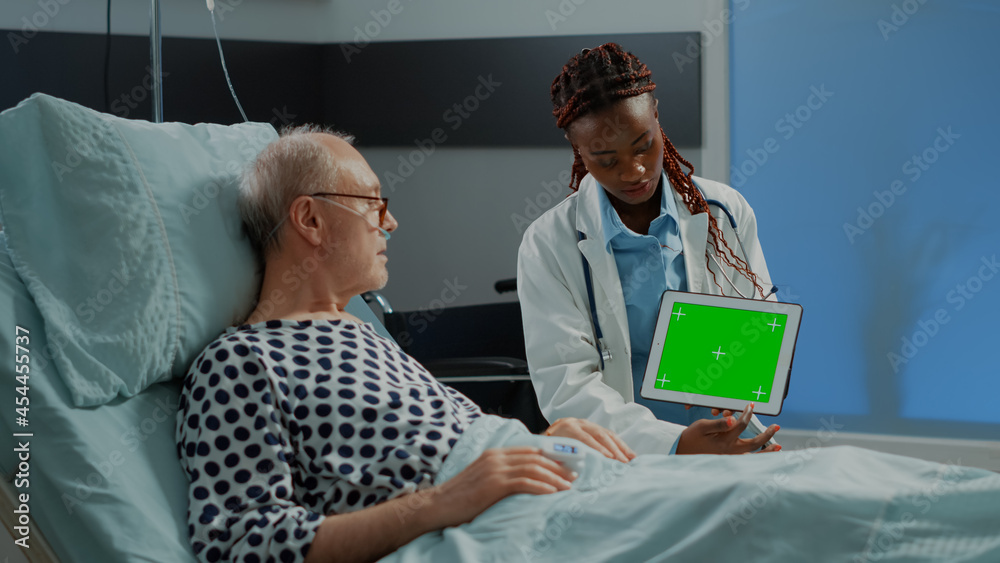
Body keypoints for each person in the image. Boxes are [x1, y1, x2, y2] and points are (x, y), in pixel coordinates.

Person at [175, 125, 652, 563]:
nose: (391, 223)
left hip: (527, 478)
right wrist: (441, 503)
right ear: (311, 220)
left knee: (716, 484)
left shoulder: (362, 334)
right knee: (718, 506)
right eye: (373, 203)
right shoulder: (241, 362)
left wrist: (538, 445)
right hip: (475, 521)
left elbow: (445, 441)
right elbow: (242, 542)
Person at [517, 43, 781, 456]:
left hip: (726, 437)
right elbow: (566, 386)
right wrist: (673, 443)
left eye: (643, 145)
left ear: (656, 115)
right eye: (606, 159)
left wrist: (736, 415)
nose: (633, 170)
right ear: (579, 151)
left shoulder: (724, 212)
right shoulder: (548, 243)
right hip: (623, 452)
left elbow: (756, 329)